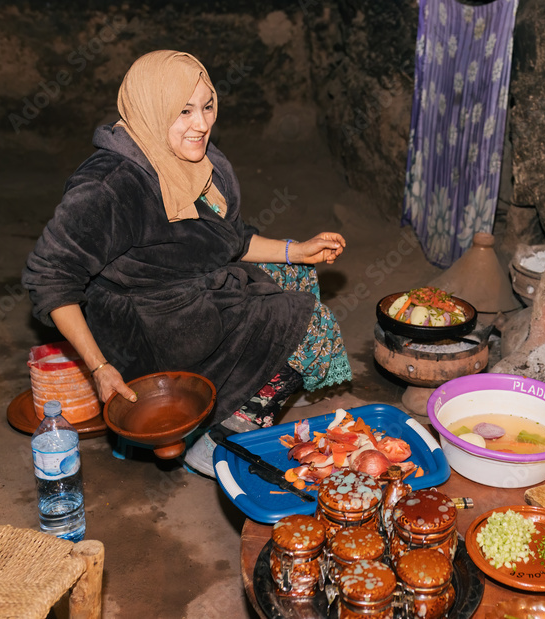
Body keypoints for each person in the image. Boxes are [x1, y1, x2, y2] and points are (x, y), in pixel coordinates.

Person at [23, 50, 352, 478]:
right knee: (314, 326)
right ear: (150, 108)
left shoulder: (198, 160)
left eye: (206, 106)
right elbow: (50, 278)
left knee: (295, 277)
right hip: (152, 325)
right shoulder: (111, 187)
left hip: (192, 287)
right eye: (182, 111)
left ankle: (229, 407)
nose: (201, 124)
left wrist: (297, 249)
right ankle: (221, 435)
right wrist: (101, 368)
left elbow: (226, 238)